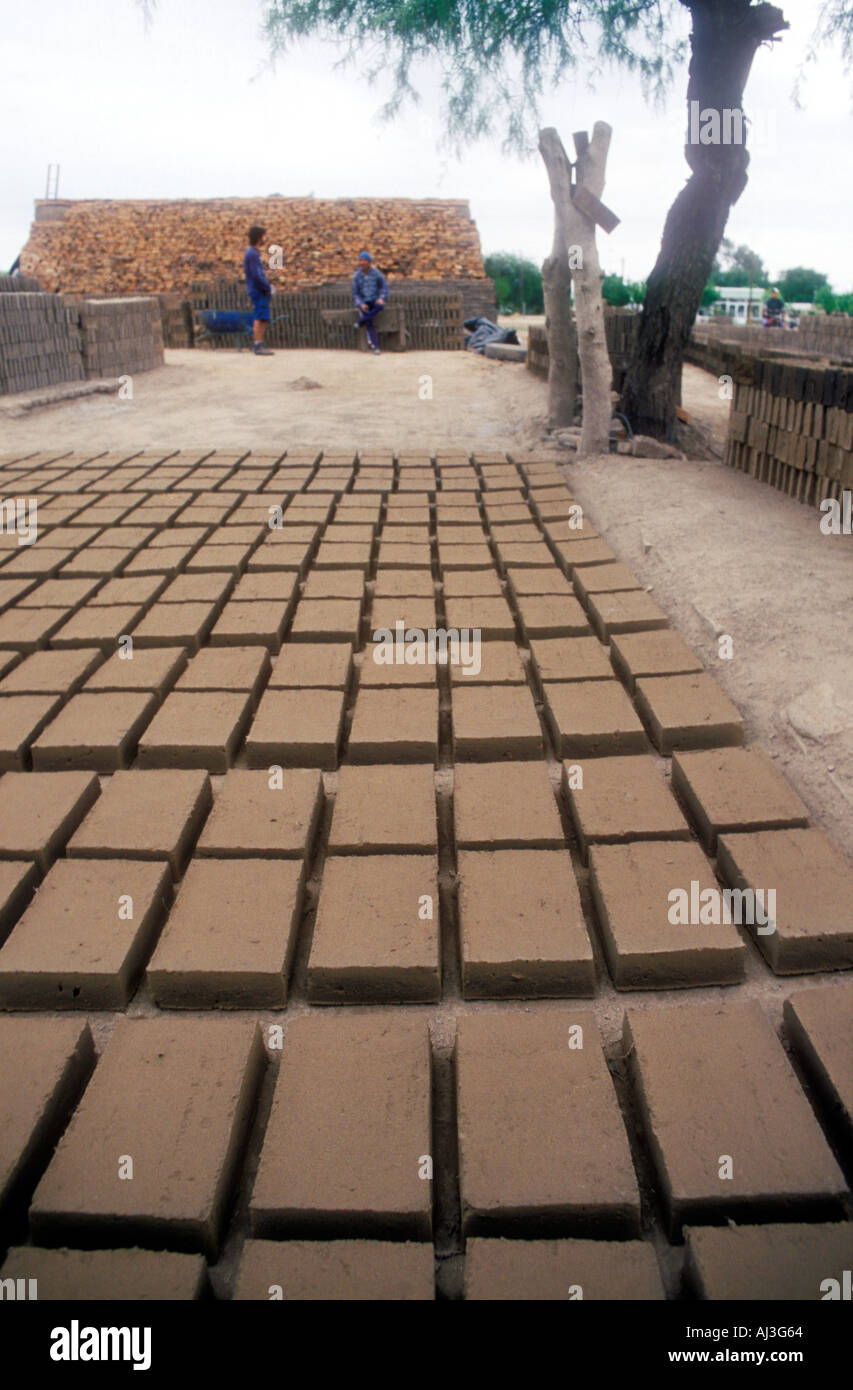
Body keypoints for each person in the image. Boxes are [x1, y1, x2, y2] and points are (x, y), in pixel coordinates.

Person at [244, 225, 274, 356]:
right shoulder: (252, 254)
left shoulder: (254, 253)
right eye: (264, 236)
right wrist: (267, 287)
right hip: (258, 290)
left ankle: (260, 343)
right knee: (260, 316)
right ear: (258, 237)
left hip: (259, 289)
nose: (265, 238)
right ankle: (258, 345)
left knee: (264, 317)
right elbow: (256, 275)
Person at [352, 251, 388, 355]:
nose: (362, 263)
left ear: (369, 262)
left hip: (375, 300)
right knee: (369, 322)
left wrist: (381, 297)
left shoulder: (377, 273)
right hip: (364, 302)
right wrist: (360, 304)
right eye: (360, 260)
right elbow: (356, 293)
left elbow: (384, 288)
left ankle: (360, 322)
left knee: (380, 306)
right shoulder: (357, 276)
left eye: (364, 261)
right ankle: (375, 346)